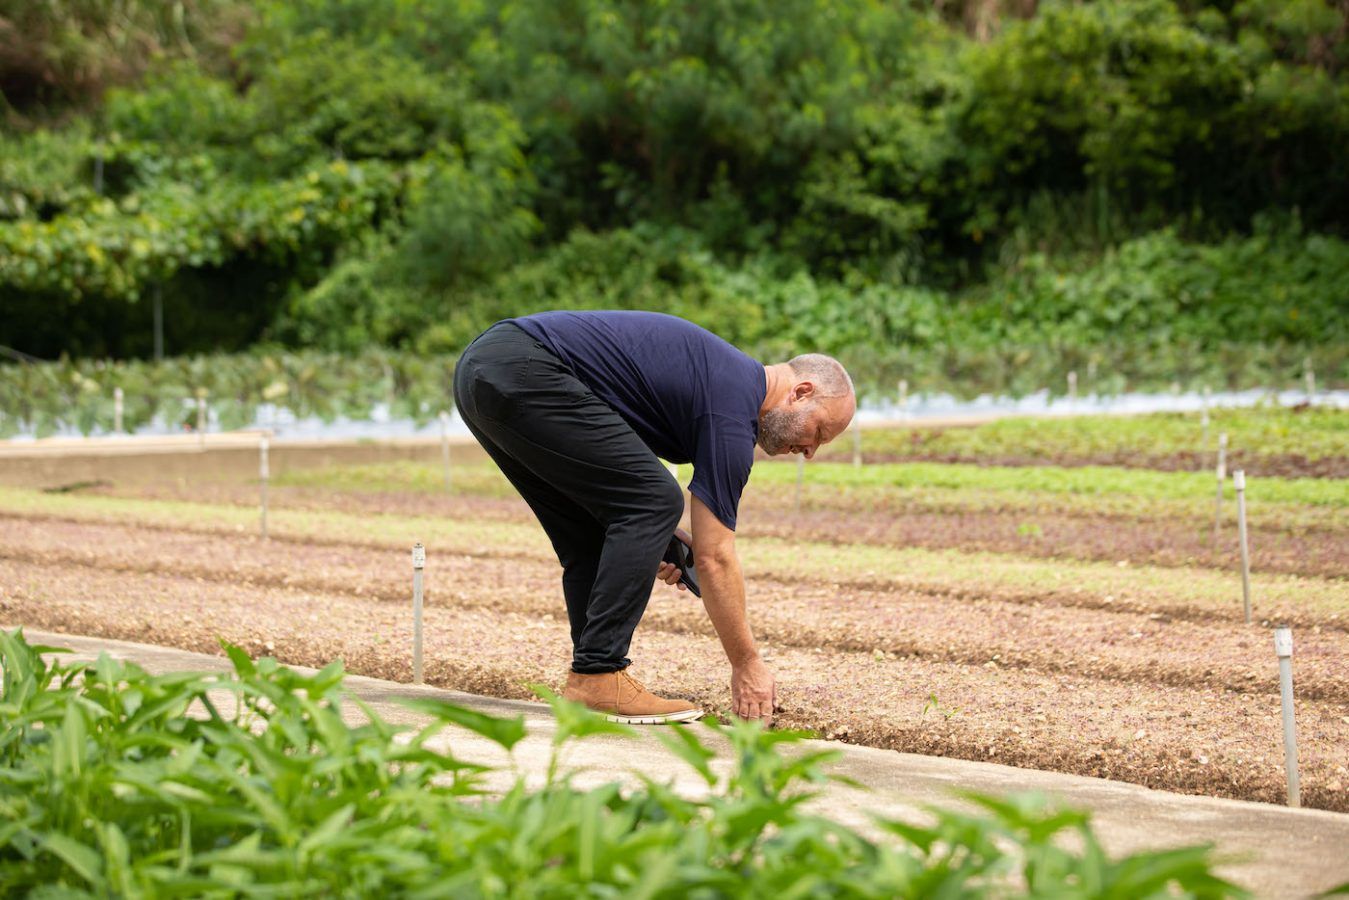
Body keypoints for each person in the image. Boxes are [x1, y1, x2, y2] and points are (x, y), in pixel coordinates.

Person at [453, 311, 856, 725]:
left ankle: (590, 684)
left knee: (590, 534)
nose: (811, 452)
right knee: (656, 499)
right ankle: (599, 675)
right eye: (820, 433)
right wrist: (747, 664)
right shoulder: (732, 412)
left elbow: (614, 465)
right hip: (528, 369)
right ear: (801, 392)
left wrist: (657, 538)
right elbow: (715, 557)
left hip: (483, 370)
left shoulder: (722, 384)